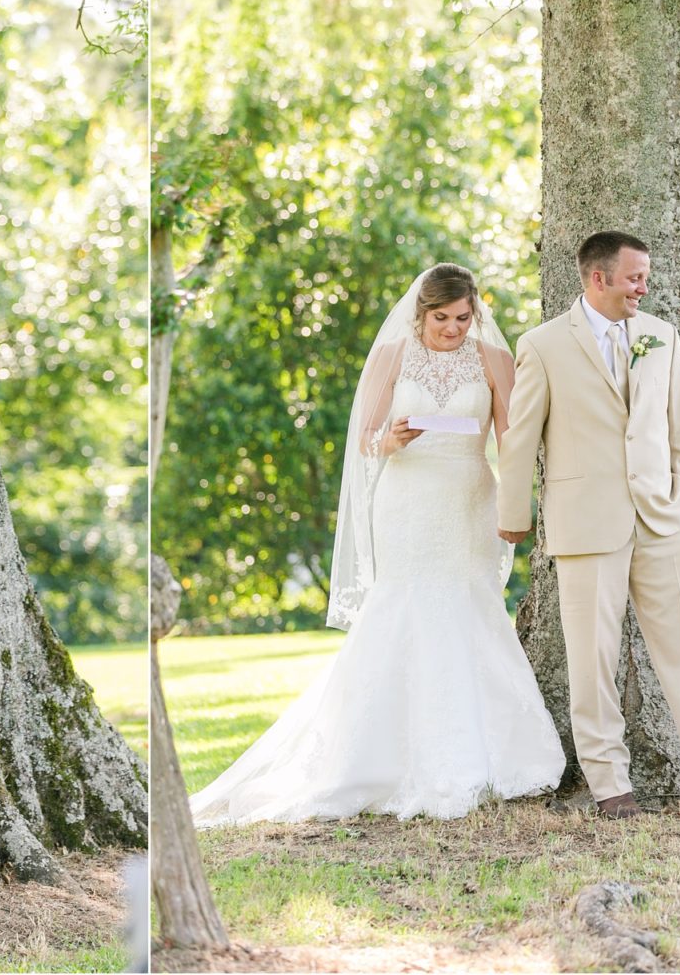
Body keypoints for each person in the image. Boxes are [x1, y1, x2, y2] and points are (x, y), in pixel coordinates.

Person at [189, 264, 565, 825]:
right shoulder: (394, 355)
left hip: (467, 498)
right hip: (407, 501)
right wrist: (388, 438)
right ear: (421, 312)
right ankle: (377, 758)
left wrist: (517, 506)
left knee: (468, 606)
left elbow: (513, 440)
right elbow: (363, 437)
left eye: (463, 318)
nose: (453, 329)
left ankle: (481, 753)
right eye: (441, 318)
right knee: (404, 607)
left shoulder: (494, 360)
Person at [496, 231, 680, 819]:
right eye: (634, 276)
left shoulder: (662, 337)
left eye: (645, 276)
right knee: (592, 661)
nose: (643, 287)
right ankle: (611, 787)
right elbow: (520, 438)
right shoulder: (544, 346)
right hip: (586, 524)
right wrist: (514, 517)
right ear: (597, 278)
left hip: (661, 522)